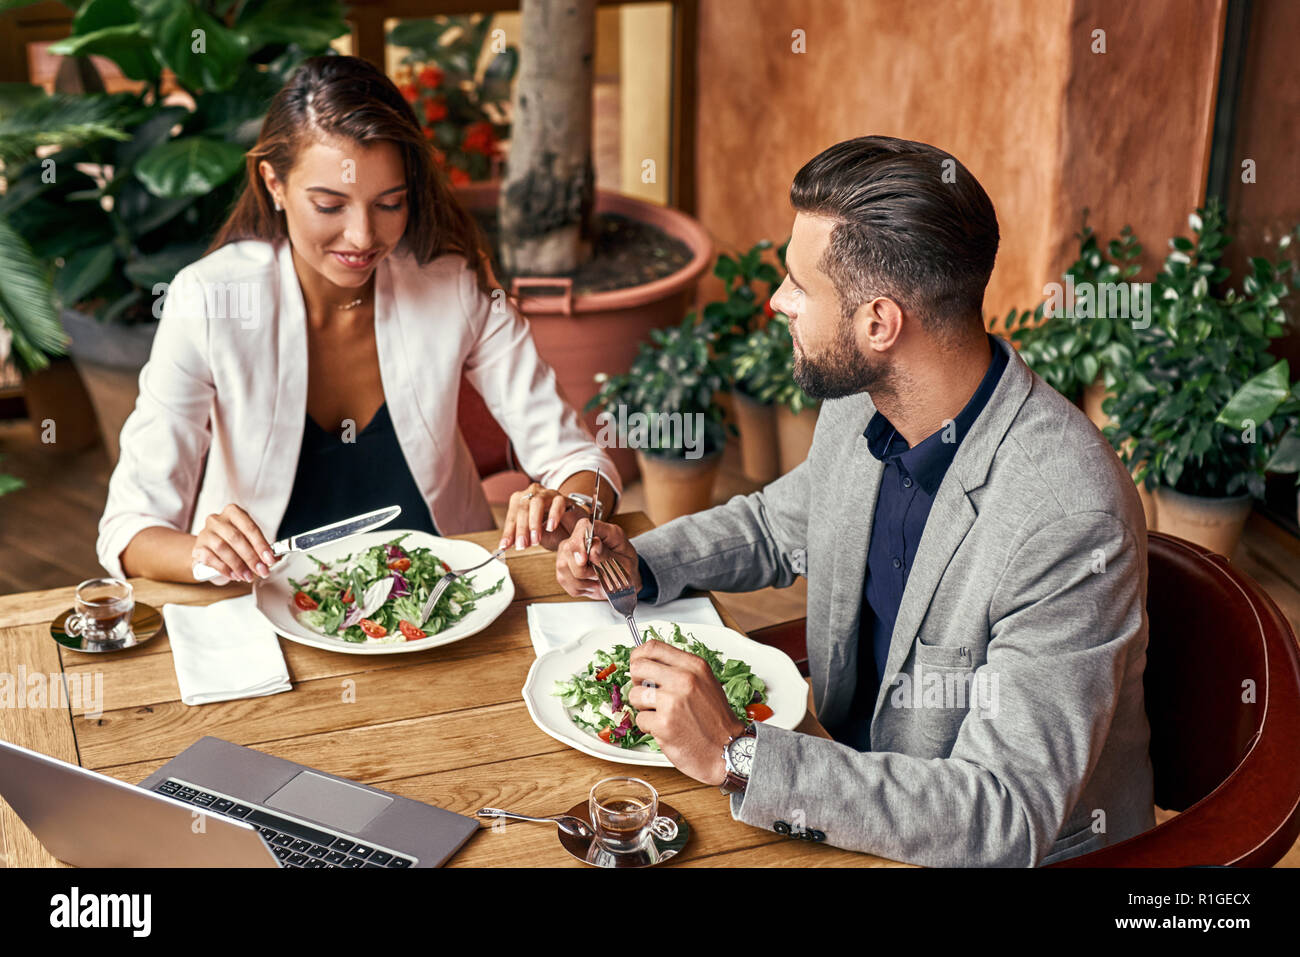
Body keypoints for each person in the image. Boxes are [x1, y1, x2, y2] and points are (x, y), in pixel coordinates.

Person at [555, 135, 1156, 867]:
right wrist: (639, 561)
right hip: (844, 793)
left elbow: (1004, 814)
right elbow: (782, 525)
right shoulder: (869, 402)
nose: (777, 302)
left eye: (798, 287)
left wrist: (739, 754)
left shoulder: (1064, 517)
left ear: (879, 323)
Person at [97, 55, 618, 584]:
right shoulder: (210, 300)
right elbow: (129, 528)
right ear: (273, 184)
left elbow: (578, 460)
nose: (364, 236)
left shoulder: (453, 282)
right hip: (265, 604)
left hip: (443, 598)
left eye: (389, 203)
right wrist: (205, 554)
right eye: (330, 205)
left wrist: (572, 511)